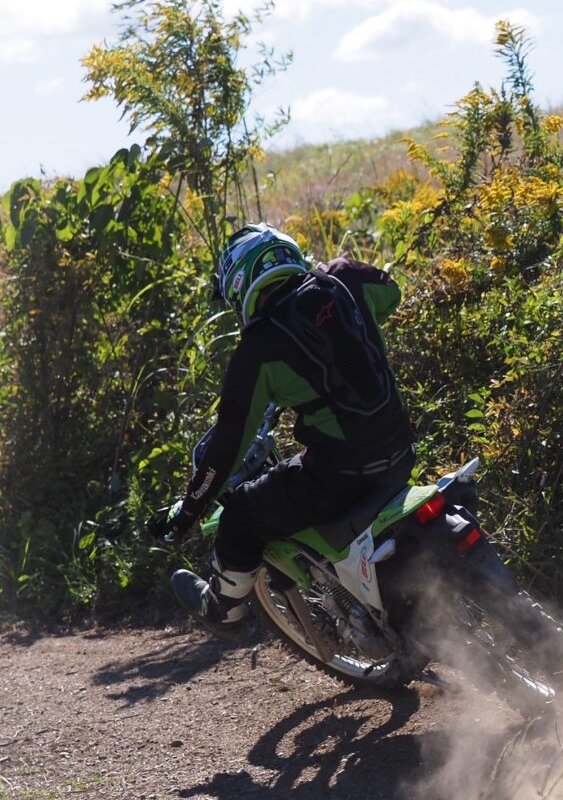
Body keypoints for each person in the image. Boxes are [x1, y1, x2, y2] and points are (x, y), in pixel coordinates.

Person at [152, 223, 415, 632]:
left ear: (240, 284)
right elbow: (391, 294)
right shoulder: (343, 277)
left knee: (239, 514)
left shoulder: (257, 351)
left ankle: (223, 611)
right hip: (401, 451)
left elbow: (227, 448)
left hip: (341, 478)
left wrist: (188, 512)